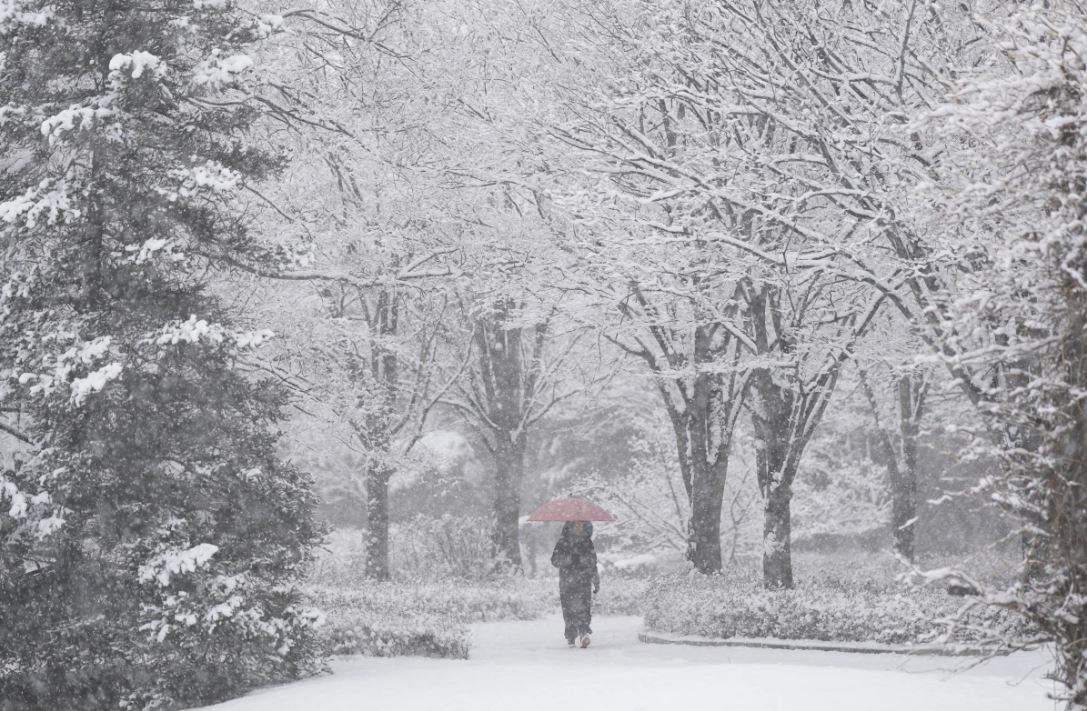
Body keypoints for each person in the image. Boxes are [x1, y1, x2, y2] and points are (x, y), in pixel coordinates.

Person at [550, 520, 600, 648]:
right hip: (567, 581)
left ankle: (584, 633)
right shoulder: (563, 542)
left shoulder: (587, 542)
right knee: (569, 609)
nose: (579, 526)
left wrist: (595, 578)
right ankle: (571, 635)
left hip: (583, 581)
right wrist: (568, 559)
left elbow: (593, 561)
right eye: (576, 523)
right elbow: (554, 560)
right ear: (570, 525)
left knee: (584, 607)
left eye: (581, 523)